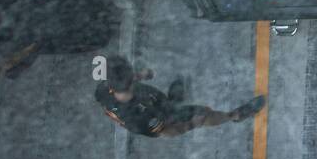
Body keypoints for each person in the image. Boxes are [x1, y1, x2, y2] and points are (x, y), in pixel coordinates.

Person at [95, 55, 264, 138]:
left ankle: (173, 100)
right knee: (203, 113)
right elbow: (166, 132)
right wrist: (191, 124)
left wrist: (138, 76)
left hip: (153, 102)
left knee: (166, 101)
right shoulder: (139, 119)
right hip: (165, 117)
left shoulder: (106, 88)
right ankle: (235, 116)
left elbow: (122, 82)